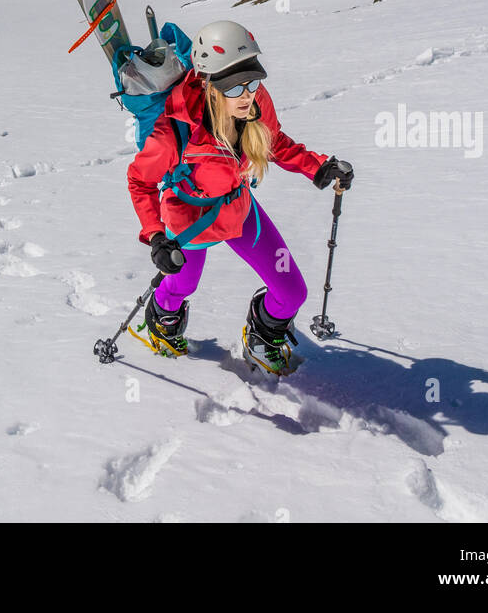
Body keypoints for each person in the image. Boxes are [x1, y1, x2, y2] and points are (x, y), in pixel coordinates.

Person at [126, 19, 353, 374]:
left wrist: (318, 167)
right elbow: (139, 182)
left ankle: (263, 336)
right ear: (209, 85)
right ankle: (162, 318)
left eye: (252, 81)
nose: (247, 94)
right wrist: (156, 237)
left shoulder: (254, 102)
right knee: (182, 282)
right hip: (191, 216)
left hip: (238, 207)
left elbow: (273, 141)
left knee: (292, 293)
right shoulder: (175, 130)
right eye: (234, 88)